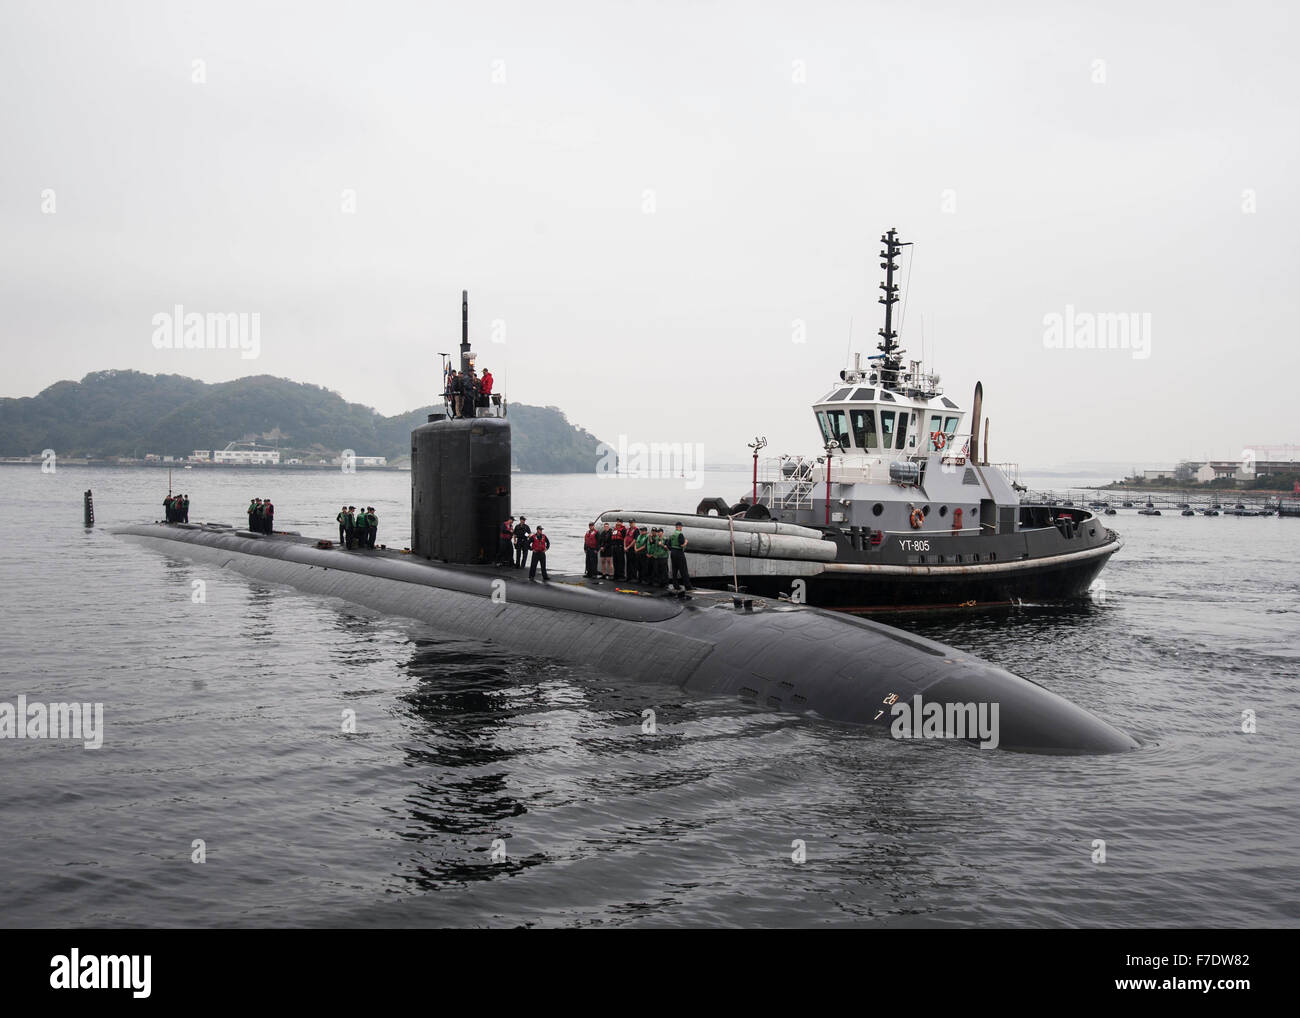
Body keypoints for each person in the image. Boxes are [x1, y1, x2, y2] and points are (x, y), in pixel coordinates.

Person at [668, 521, 692, 592]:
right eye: (681, 527)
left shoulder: (672, 535)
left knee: (674, 570)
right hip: (679, 553)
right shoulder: (680, 534)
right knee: (683, 570)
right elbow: (682, 545)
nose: (681, 528)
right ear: (679, 527)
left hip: (673, 552)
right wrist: (686, 542)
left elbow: (668, 545)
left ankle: (676, 586)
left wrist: (673, 549)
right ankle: (688, 587)